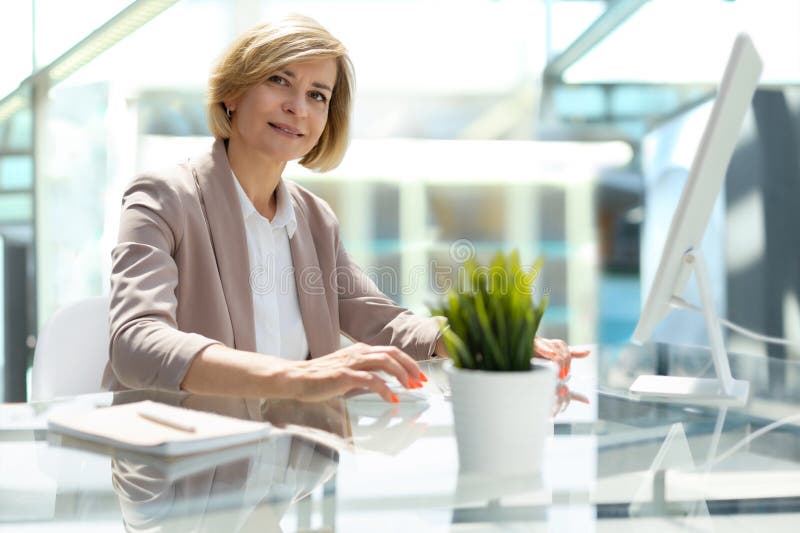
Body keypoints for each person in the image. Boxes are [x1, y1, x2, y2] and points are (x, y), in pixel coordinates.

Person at [102, 14, 588, 403]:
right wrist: (297, 377)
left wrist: (479, 339)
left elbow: (379, 321)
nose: (299, 107)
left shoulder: (314, 219)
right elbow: (136, 343)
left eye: (318, 95)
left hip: (283, 468)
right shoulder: (163, 196)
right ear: (233, 92)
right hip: (174, 472)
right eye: (279, 81)